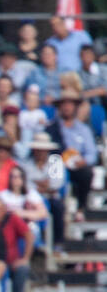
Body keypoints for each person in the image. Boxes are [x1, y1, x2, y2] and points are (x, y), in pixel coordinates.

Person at [46, 91, 97, 220]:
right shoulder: (52, 127)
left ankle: (81, 208)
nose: (67, 107)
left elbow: (92, 153)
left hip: (76, 165)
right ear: (59, 107)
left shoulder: (83, 129)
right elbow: (49, 149)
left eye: (70, 104)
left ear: (75, 107)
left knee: (87, 172)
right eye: (64, 104)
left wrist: (83, 161)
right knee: (54, 163)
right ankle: (57, 204)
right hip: (57, 163)